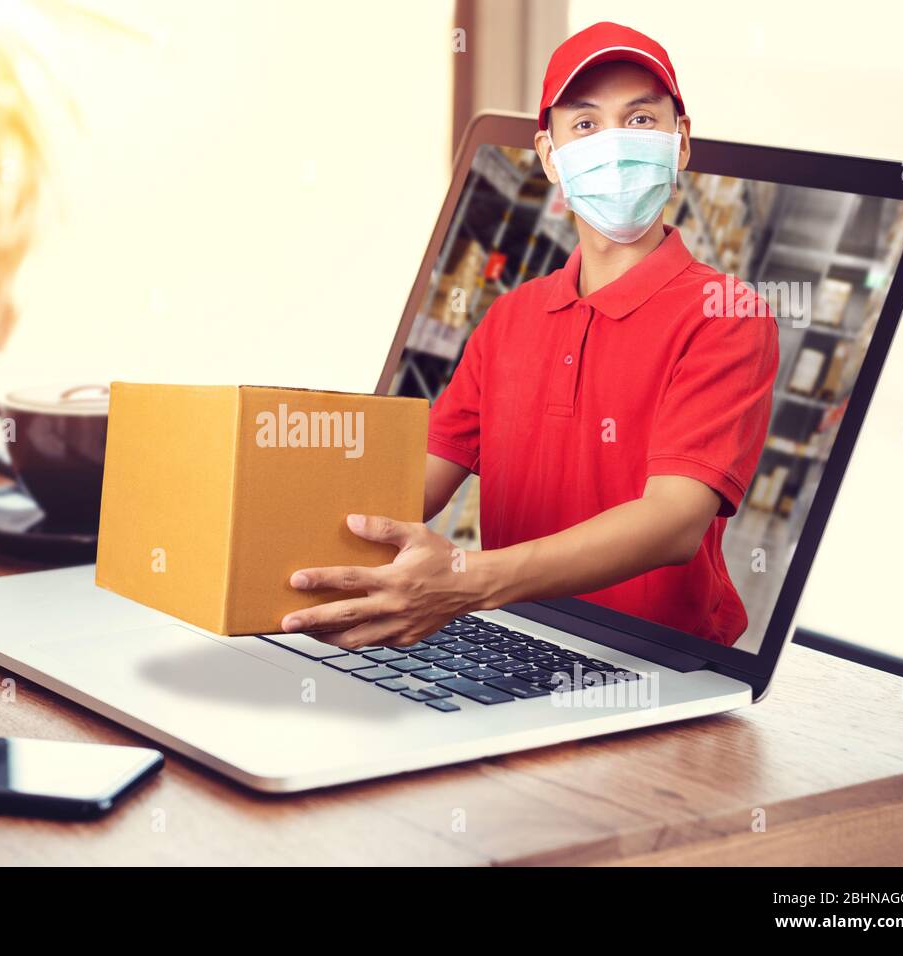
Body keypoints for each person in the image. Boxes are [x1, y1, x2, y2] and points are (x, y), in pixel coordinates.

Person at [282, 22, 778, 648]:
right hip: (509, 638)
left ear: (680, 143)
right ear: (549, 156)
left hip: (655, 661)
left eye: (641, 120)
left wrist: (465, 581)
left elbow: (674, 522)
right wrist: (275, 515)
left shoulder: (726, 314)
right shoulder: (510, 317)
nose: (615, 143)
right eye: (586, 124)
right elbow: (415, 485)